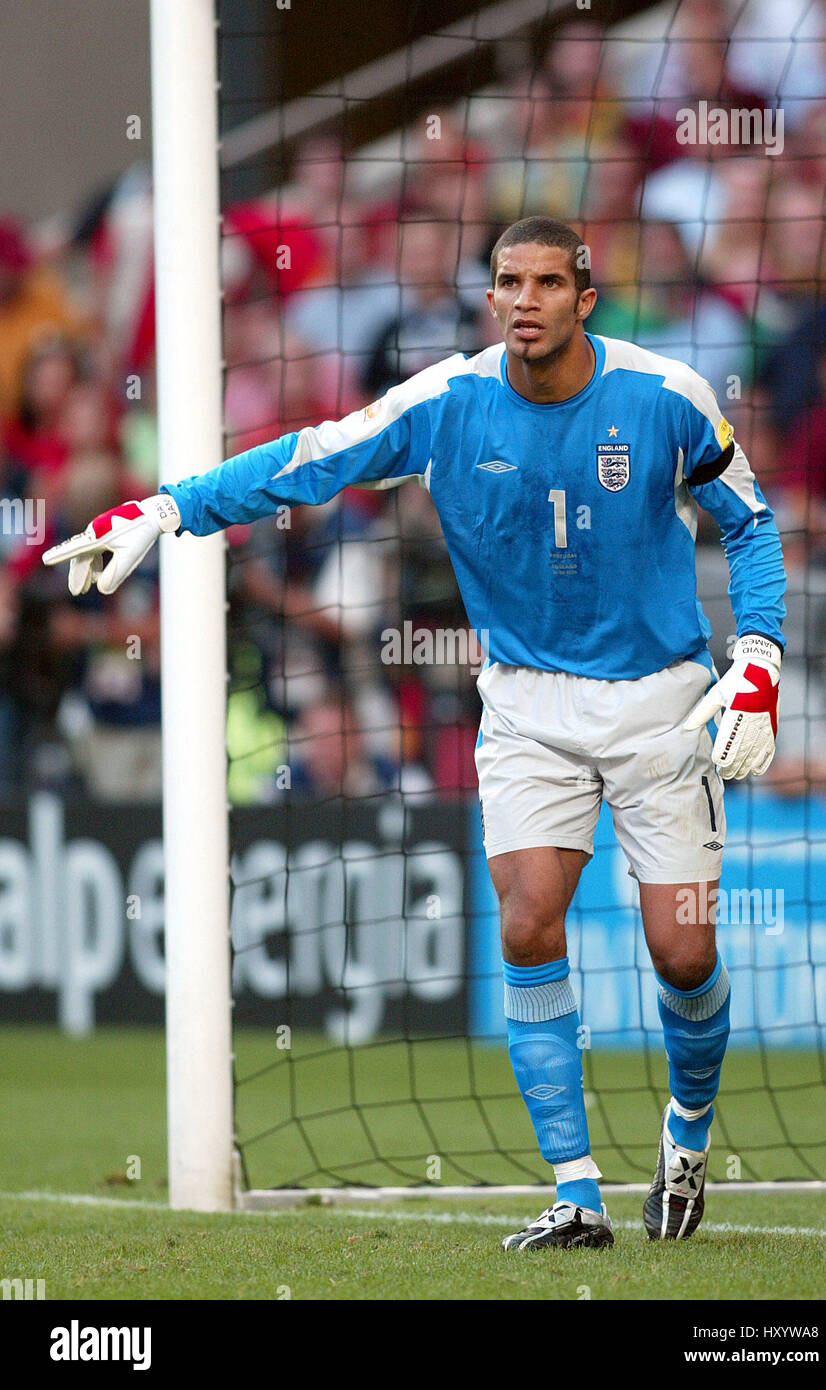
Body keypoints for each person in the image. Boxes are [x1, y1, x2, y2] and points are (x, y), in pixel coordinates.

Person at [43, 215, 786, 1251]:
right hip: (527, 702)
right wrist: (168, 509)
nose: (521, 300)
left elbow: (749, 520)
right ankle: (575, 1194)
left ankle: (687, 1138)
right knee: (528, 920)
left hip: (659, 696)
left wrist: (758, 655)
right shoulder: (447, 400)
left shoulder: (665, 396)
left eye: (542, 282)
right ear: (489, 298)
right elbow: (311, 459)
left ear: (583, 293)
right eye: (503, 283)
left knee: (681, 948)